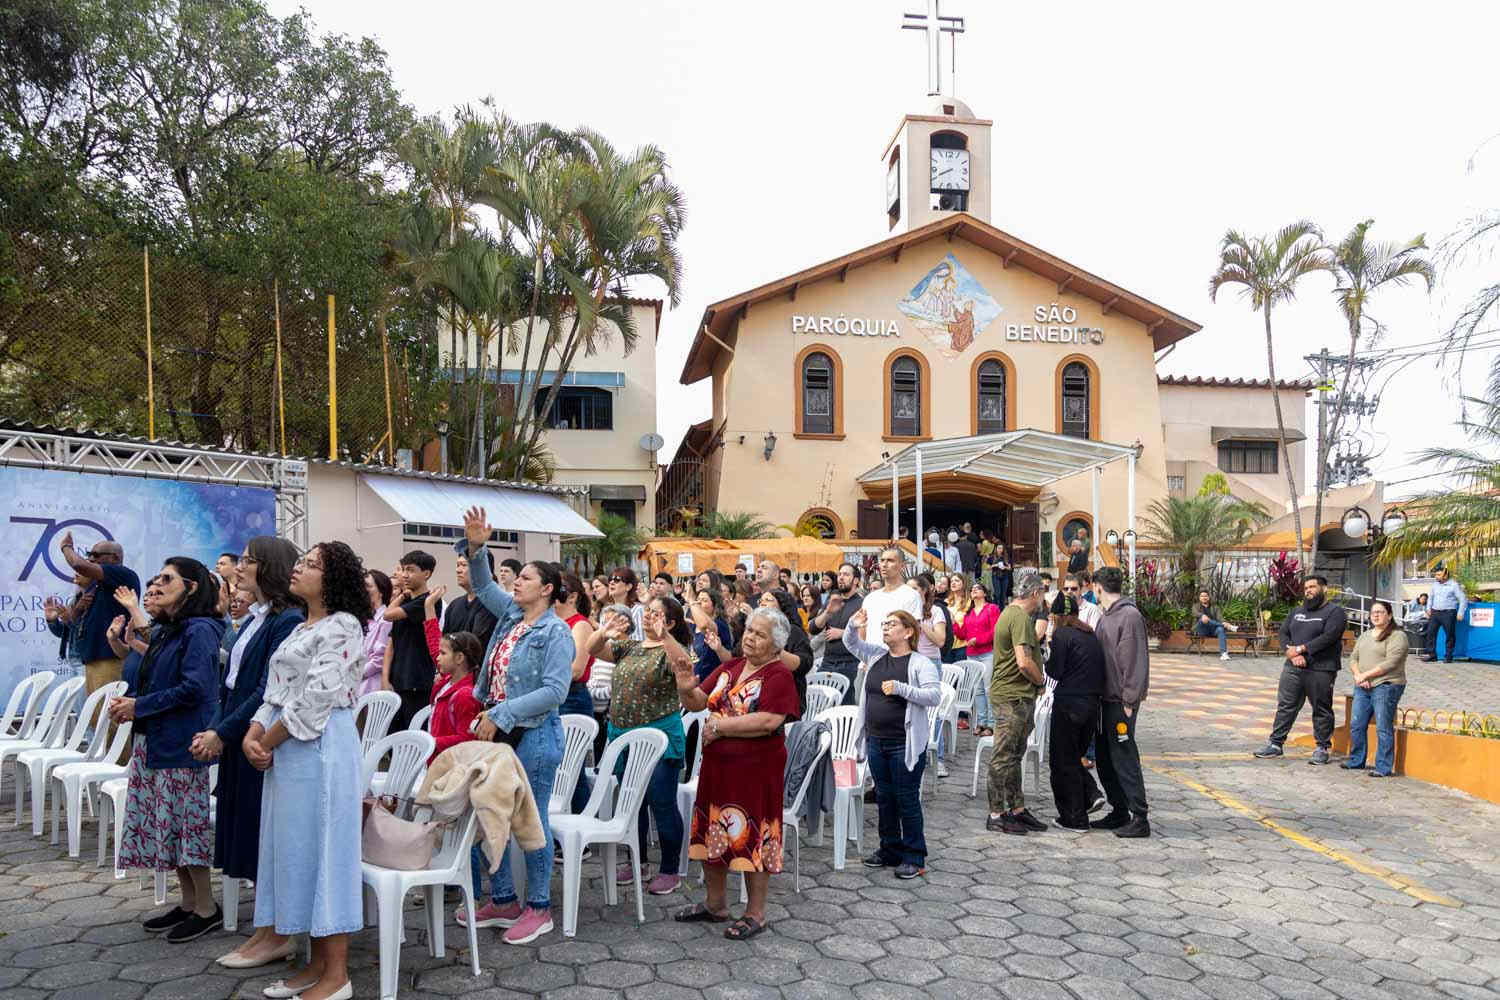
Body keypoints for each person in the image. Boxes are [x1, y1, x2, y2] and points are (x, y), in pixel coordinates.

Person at [247, 541, 368, 1000]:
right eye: (300, 562)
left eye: (311, 565)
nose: (299, 569)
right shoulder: (301, 626)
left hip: (320, 750)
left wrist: (265, 740)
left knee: (325, 856)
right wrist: (253, 731)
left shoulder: (343, 627)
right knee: (297, 856)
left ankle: (337, 975)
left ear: (333, 579)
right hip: (288, 752)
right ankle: (314, 965)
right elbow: (276, 691)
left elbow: (315, 700)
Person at [453, 507, 571, 945]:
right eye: (516, 577)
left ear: (547, 589)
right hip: (500, 732)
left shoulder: (554, 633)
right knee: (492, 812)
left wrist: (503, 712)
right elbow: (482, 584)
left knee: (530, 821)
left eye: (525, 578)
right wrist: (477, 546)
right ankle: (502, 899)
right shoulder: (511, 617)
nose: (516, 582)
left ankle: (538, 907)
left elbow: (556, 691)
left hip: (535, 736)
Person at [194, 537, 305, 966]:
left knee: (265, 837)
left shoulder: (286, 620)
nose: (238, 568)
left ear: (269, 568)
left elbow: (267, 689)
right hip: (244, 733)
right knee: (252, 833)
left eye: (247, 561)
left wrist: (226, 731)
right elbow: (235, 679)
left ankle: (276, 933)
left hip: (257, 736)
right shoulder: (260, 617)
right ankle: (265, 928)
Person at [112, 557, 223, 943]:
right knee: (167, 825)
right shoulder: (170, 629)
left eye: (167, 579)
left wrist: (138, 706)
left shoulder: (201, 630)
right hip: (156, 739)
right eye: (156, 579)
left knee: (185, 824)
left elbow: (195, 687)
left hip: (181, 742)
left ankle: (207, 907)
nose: (156, 585)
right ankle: (189, 903)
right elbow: (162, 671)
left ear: (191, 588)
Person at [672, 608, 799, 939]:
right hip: (717, 771)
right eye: (750, 630)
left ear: (776, 646)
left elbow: (770, 721)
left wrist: (721, 726)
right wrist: (685, 686)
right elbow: (700, 701)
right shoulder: (730, 666)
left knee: (754, 837)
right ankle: (715, 905)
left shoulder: (777, 675)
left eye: (760, 634)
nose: (750, 637)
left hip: (755, 773)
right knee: (712, 833)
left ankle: (755, 914)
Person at [589, 596, 695, 896]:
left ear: (671, 622)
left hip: (659, 737)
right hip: (624, 736)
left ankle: (670, 868)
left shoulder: (670, 649)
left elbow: (682, 665)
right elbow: (593, 649)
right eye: (647, 612)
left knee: (661, 801)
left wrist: (665, 636)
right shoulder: (630, 646)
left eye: (657, 614)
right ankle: (638, 860)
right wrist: (603, 630)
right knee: (632, 801)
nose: (649, 617)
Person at [842, 605, 940, 878]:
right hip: (877, 740)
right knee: (884, 797)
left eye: (892, 623)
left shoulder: (920, 663)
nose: (885, 627)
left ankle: (914, 856)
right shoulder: (877, 656)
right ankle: (889, 849)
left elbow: (933, 696)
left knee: (906, 799)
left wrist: (901, 689)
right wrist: (853, 624)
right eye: (884, 623)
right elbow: (851, 643)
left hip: (904, 743)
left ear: (908, 631)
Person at [1254, 574, 1348, 765]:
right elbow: (1283, 632)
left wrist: (1302, 649)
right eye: (1306, 588)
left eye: (1312, 587)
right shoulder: (1297, 611)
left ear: (1324, 589)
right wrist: (1291, 652)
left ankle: (1322, 747)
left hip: (1321, 668)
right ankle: (1275, 744)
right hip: (1293, 668)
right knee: (1286, 705)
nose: (1308, 591)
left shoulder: (1335, 612)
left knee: (1321, 708)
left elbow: (1329, 637)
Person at [985, 572, 1047, 835]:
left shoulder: (1010, 613)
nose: (1043, 599)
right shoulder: (1021, 617)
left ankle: (1017, 808)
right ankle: (996, 813)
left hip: (1015, 695)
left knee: (1013, 756)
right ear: (1034, 594)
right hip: (1012, 696)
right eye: (1042, 593)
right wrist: (1040, 680)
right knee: (1003, 756)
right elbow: (1024, 661)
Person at [1092, 567, 1152, 838]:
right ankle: (1119, 810)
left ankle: (1140, 816)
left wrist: (1130, 699)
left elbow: (1133, 660)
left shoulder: (1129, 616)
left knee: (1125, 758)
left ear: (1097, 588)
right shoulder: (1106, 617)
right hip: (1105, 700)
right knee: (1105, 759)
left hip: (1120, 702)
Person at [1044, 595, 1105, 831]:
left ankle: (1074, 817)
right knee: (1073, 757)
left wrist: (1048, 651)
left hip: (1069, 704)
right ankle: (1090, 794)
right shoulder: (1089, 634)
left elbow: (1055, 672)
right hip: (1091, 705)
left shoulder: (1061, 635)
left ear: (1058, 617)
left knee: (1061, 762)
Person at [59, 533, 142, 700]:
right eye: (89, 555)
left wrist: (66, 548)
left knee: (109, 718)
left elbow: (78, 564)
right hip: (93, 658)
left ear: (115, 557)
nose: (91, 559)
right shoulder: (99, 586)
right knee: (95, 717)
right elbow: (74, 623)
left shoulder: (123, 574)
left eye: (96, 555)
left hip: (110, 657)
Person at [1342, 599, 1410, 778]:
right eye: (1373, 613)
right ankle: (1356, 760)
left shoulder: (1397, 636)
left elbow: (1391, 663)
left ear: (1389, 615)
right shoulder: (1365, 635)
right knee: (1356, 724)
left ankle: (1383, 766)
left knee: (1383, 726)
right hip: (1362, 685)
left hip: (1386, 685)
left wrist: (1367, 676)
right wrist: (1358, 676)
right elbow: (1353, 658)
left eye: (1380, 612)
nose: (1376, 615)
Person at [383, 551, 442, 731]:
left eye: (411, 570)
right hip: (398, 680)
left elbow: (387, 615)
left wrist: (402, 597)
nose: (405, 575)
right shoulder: (408, 601)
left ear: (426, 574)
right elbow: (391, 645)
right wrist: (386, 679)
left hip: (417, 681)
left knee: (413, 736)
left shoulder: (427, 602)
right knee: (393, 735)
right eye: (403, 569)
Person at [422, 611, 484, 762]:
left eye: (443, 653)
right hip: (437, 762)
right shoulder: (445, 682)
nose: (438, 657)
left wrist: (431, 743)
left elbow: (467, 739)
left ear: (459, 658)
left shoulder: (466, 695)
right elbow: (433, 647)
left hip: (452, 769)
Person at [810, 562, 864, 704]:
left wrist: (843, 633)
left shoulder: (862, 603)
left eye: (846, 574)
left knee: (845, 707)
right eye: (840, 574)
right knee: (821, 704)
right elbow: (813, 628)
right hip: (827, 662)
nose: (841, 577)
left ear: (856, 580)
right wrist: (827, 612)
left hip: (850, 663)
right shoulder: (832, 599)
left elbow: (868, 634)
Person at [859, 547, 924, 660]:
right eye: (882, 560)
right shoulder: (870, 598)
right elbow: (862, 630)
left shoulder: (911, 596)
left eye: (890, 561)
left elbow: (914, 632)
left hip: (896, 661)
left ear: (902, 566)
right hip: (868, 662)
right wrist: (864, 658)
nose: (884, 564)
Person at [757, 589, 816, 712]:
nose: (763, 603)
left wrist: (775, 650)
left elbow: (805, 663)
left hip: (785, 700)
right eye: (761, 600)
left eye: (768, 600)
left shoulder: (793, 631)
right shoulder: (754, 631)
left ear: (782, 608)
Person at [955, 580, 999, 737]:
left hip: (987, 652)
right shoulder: (969, 613)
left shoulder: (991, 609)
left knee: (988, 688)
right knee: (978, 690)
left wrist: (978, 640)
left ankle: (991, 723)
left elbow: (995, 631)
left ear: (985, 593)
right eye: (972, 589)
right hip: (972, 653)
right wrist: (954, 621)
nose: (974, 590)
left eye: (978, 588)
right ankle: (981, 722)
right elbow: (962, 634)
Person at [443, 553, 500, 650]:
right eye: (458, 565)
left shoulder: (493, 604)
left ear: (483, 570)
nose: (458, 570)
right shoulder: (454, 605)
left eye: (464, 565)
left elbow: (476, 646)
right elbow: (445, 642)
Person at [686, 586, 734, 681]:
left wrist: (691, 601)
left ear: (714, 605)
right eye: (698, 599)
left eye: (704, 600)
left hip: (711, 680)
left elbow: (704, 625)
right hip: (693, 680)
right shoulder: (692, 625)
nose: (699, 603)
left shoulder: (719, 624)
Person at [359, 569, 394, 697]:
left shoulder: (386, 620)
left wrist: (356, 674)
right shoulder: (366, 619)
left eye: (368, 586)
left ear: (381, 592)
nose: (363, 590)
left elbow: (379, 659)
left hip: (371, 685)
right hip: (359, 683)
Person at [1422, 566, 1466, 663]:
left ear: (1445, 575)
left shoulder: (1454, 585)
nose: (1436, 577)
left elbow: (1462, 599)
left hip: (1448, 613)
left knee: (1450, 635)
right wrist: (1428, 609)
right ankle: (1432, 655)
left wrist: (1460, 613)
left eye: (1438, 575)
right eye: (1436, 575)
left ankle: (1448, 656)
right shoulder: (1435, 585)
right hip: (1435, 612)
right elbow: (1431, 597)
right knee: (1430, 633)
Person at [1191, 589, 1232, 661]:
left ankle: (1224, 654)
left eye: (1206, 596)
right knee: (1203, 619)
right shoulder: (1195, 606)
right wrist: (1202, 615)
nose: (1204, 597)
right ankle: (1227, 626)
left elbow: (1220, 617)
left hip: (1213, 630)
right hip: (1201, 630)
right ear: (1199, 598)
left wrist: (1224, 622)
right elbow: (1195, 613)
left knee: (1220, 629)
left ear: (1209, 597)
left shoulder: (1215, 607)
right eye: (1202, 596)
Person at [608, 567, 645, 640]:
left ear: (628, 587)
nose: (611, 582)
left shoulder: (638, 610)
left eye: (617, 580)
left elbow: (639, 642)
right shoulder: (606, 611)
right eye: (610, 580)